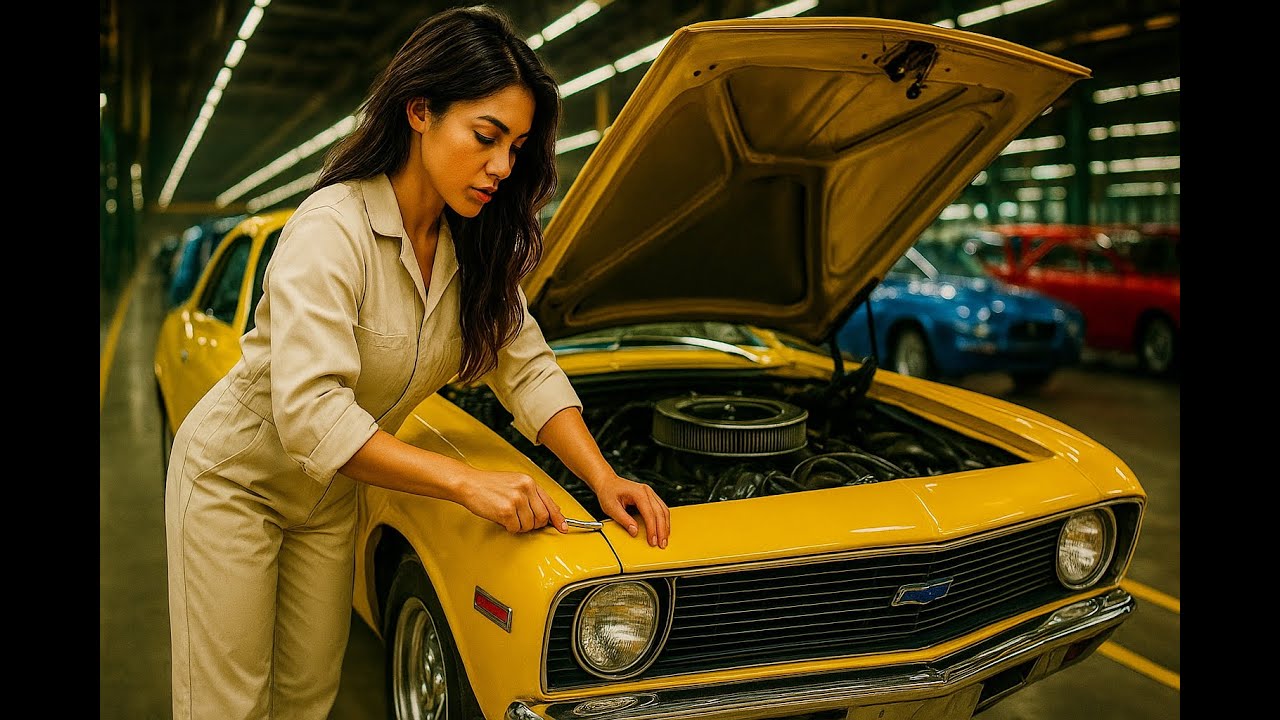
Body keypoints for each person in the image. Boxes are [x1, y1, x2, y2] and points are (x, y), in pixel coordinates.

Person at [164, 6, 672, 719]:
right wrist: (467, 484)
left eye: (516, 147)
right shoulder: (330, 231)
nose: (501, 166)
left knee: (309, 698)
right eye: (486, 137)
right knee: (229, 706)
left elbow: (525, 368)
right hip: (235, 482)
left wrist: (602, 476)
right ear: (420, 111)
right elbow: (312, 415)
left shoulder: (476, 248)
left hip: (329, 497)